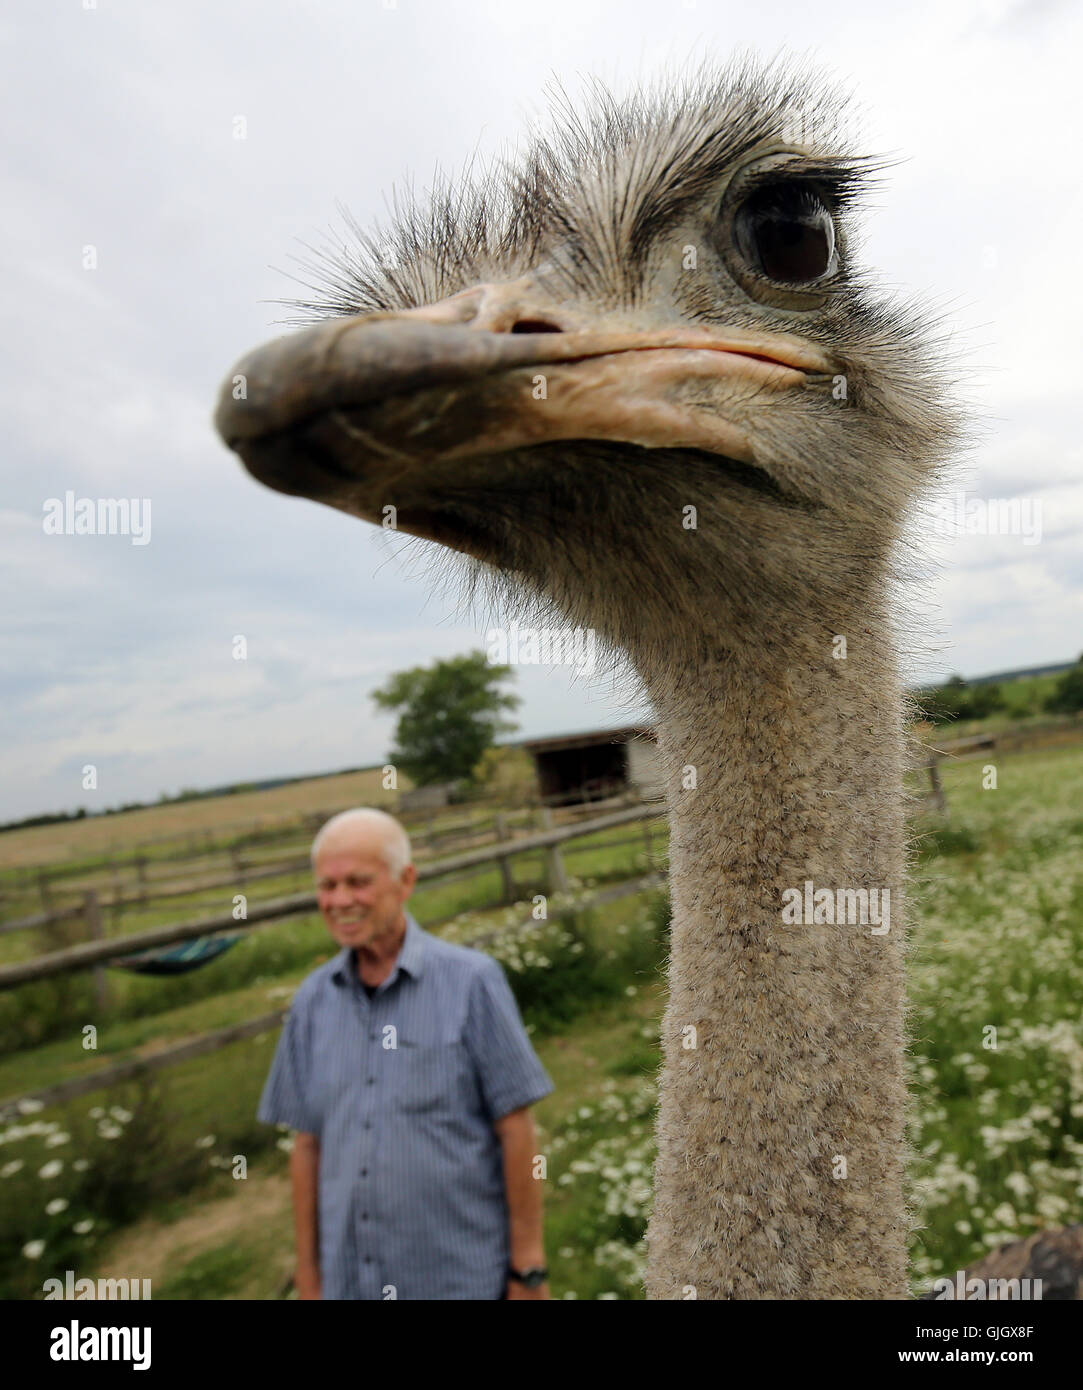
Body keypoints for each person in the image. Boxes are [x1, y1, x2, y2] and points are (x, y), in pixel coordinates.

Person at [257, 806, 554, 1300]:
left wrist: (528, 1266)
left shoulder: (471, 982)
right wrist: (309, 1280)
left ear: (406, 880)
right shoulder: (311, 1001)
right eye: (327, 887)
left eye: (358, 882)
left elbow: (515, 1127)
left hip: (458, 1278)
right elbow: (306, 1146)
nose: (340, 900)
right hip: (350, 1282)